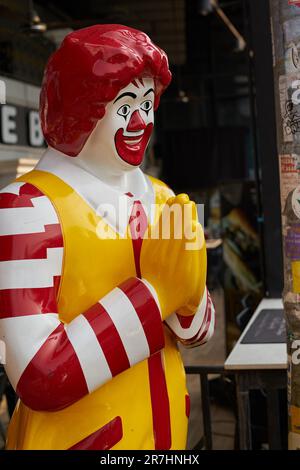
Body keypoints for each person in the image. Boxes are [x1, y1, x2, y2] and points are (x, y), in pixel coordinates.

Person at [0, 24, 214, 450]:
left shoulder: (164, 197)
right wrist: (155, 296)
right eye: (125, 104)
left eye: (149, 103)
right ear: (82, 107)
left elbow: (197, 332)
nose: (142, 120)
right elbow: (37, 374)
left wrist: (189, 301)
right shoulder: (23, 207)